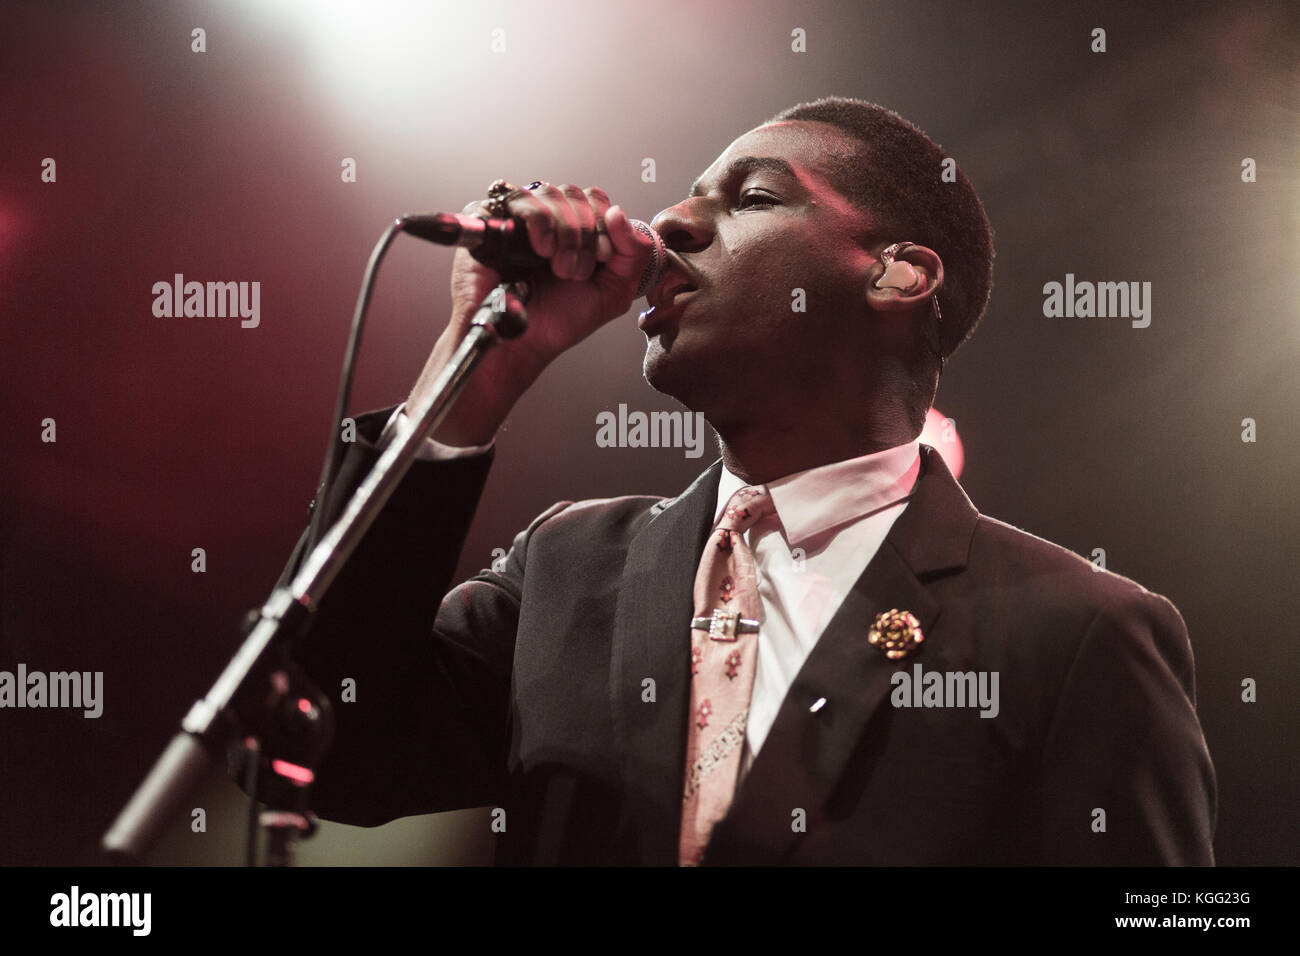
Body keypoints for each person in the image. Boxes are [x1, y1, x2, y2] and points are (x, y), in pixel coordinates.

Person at [260, 97, 1216, 865]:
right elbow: (318, 750)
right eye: (685, 198)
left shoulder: (1077, 631)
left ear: (899, 275)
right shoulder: (568, 568)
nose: (669, 221)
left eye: (751, 196)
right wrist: (474, 373)